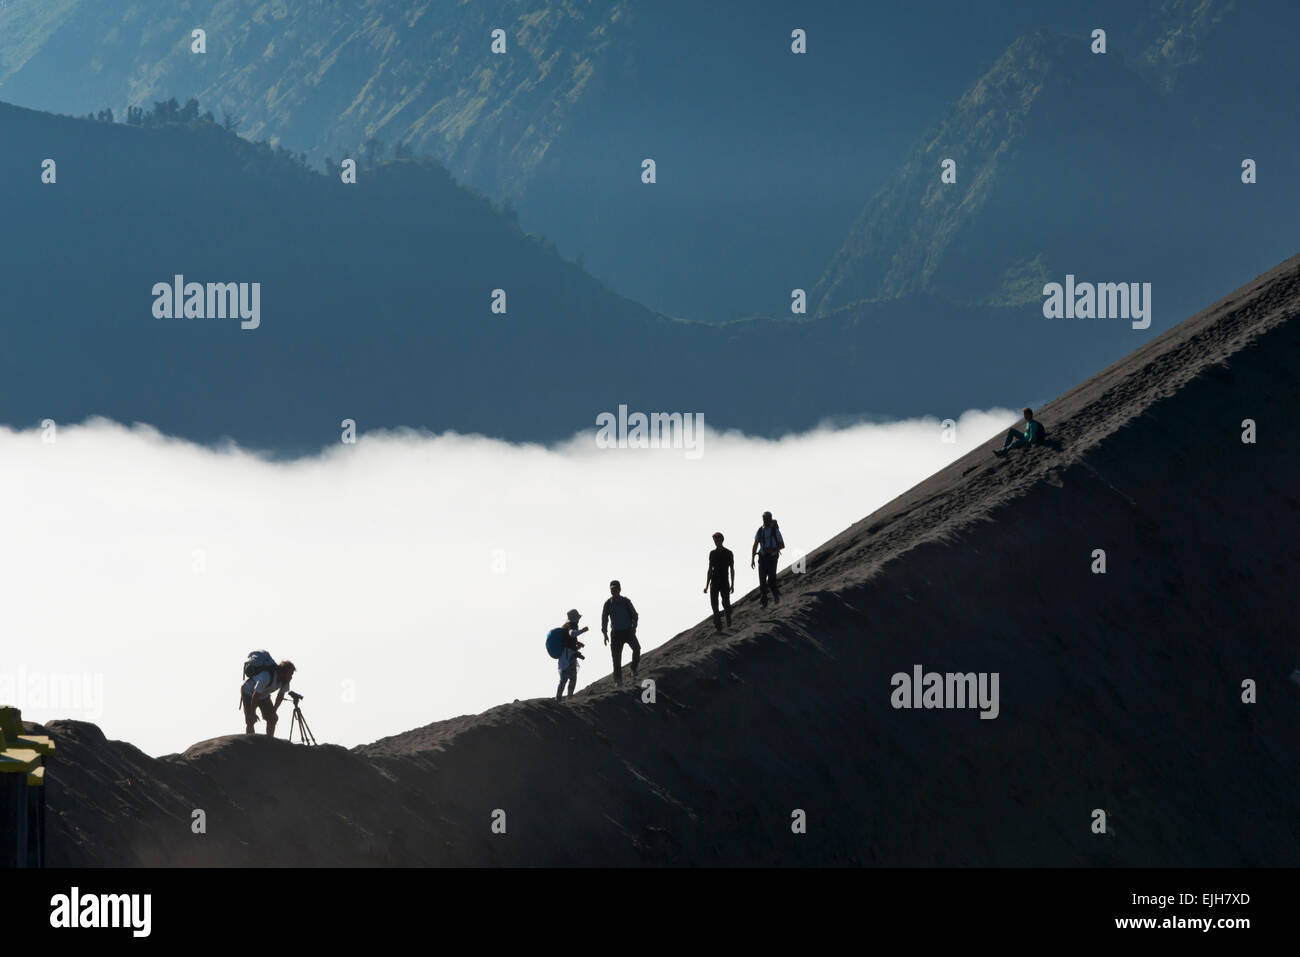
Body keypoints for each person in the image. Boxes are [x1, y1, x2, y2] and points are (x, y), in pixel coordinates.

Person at [241, 659, 296, 736]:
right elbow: (256, 695)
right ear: (283, 672)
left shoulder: (285, 681)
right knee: (251, 719)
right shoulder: (266, 676)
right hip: (248, 692)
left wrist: (273, 710)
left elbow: (280, 696)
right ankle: (250, 743)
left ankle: (269, 740)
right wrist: (252, 712)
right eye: (290, 674)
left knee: (272, 718)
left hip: (263, 695)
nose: (291, 677)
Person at [601, 580, 640, 687]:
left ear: (620, 589)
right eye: (611, 589)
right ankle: (618, 680)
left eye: (615, 589)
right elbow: (604, 619)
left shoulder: (626, 601)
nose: (613, 591)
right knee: (616, 658)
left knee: (637, 649)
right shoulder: (608, 603)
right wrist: (604, 633)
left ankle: (633, 668)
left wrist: (634, 627)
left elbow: (635, 615)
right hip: (616, 634)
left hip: (628, 631)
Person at [751, 511, 785, 607]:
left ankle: (776, 596)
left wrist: (773, 549)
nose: (765, 520)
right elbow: (755, 544)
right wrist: (752, 558)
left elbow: (782, 545)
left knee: (771, 579)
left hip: (772, 558)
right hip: (762, 558)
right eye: (764, 518)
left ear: (770, 518)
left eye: (767, 518)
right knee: (762, 581)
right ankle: (764, 603)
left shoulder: (775, 531)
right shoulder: (760, 530)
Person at [703, 532, 735, 632]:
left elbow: (732, 569)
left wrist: (733, 584)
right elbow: (709, 569)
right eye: (715, 540)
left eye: (717, 540)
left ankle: (729, 622)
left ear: (722, 540)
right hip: (714, 581)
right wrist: (707, 585)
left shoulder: (728, 553)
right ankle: (718, 626)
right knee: (714, 604)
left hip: (725, 581)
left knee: (726, 603)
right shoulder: (712, 553)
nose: (716, 542)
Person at [557, 609, 587, 700]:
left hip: (570, 656)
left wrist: (578, 644)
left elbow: (571, 640)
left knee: (571, 678)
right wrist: (582, 631)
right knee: (565, 679)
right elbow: (572, 634)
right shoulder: (570, 626)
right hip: (567, 657)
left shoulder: (569, 626)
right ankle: (560, 698)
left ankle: (565, 698)